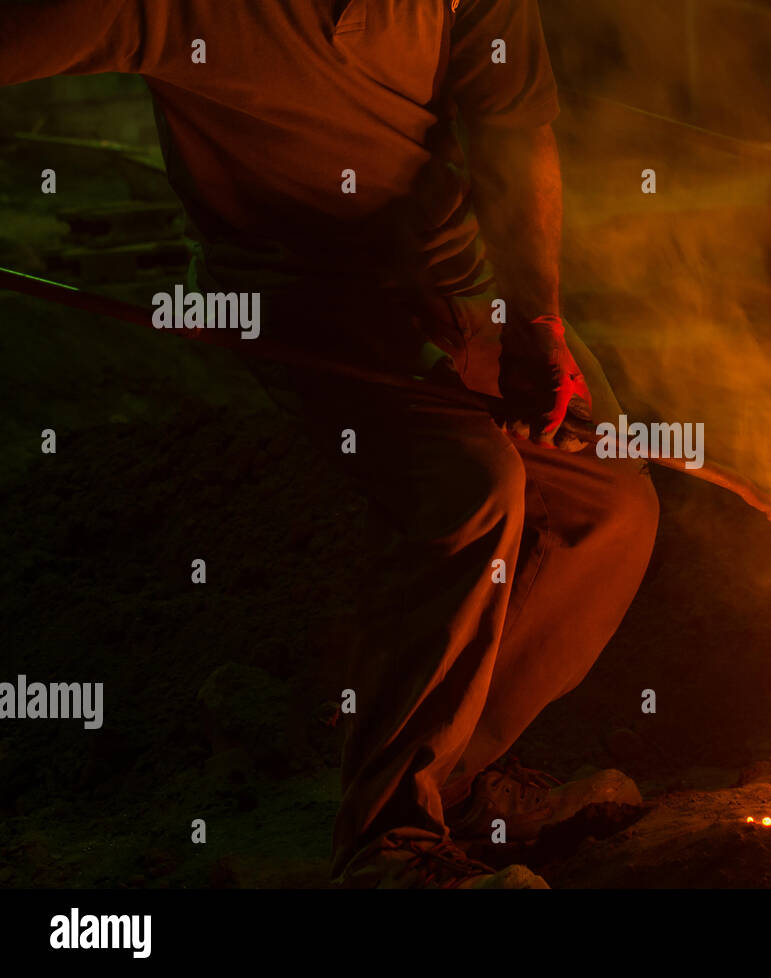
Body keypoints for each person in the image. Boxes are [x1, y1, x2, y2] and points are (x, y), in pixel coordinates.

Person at [0, 0, 659, 889]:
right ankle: (389, 840)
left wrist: (535, 320)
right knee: (472, 488)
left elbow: (511, 133)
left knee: (611, 504)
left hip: (453, 280)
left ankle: (456, 780)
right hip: (297, 300)